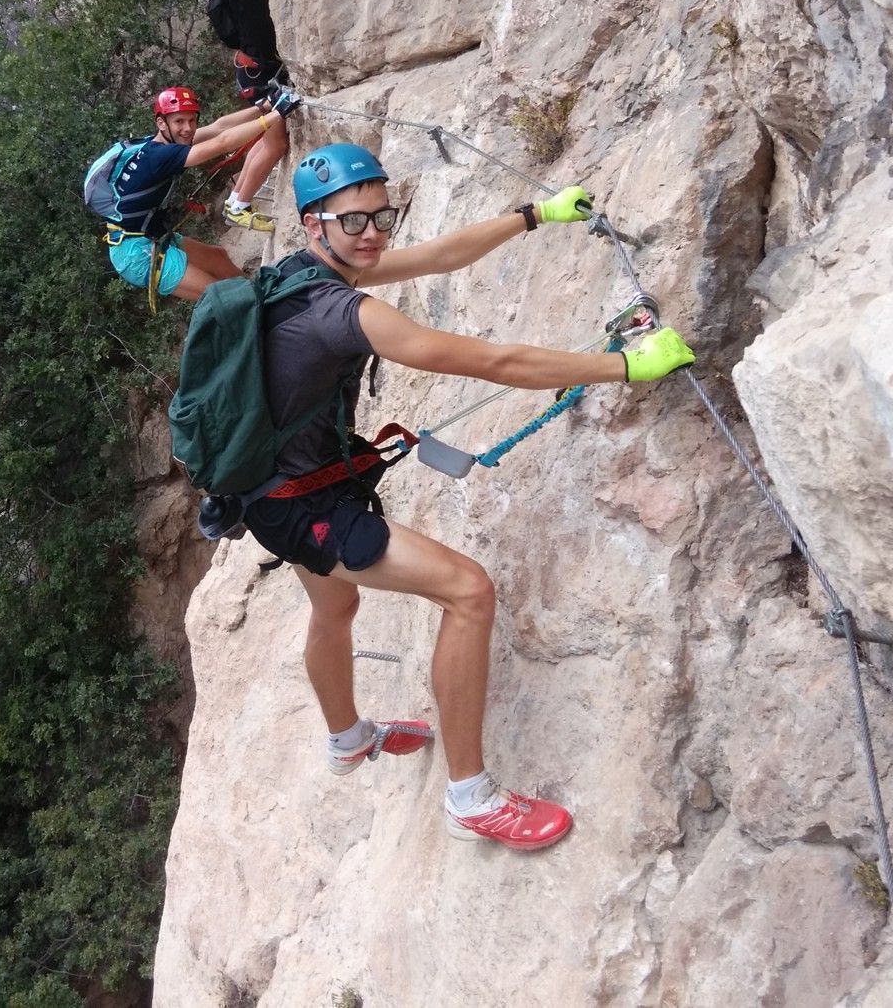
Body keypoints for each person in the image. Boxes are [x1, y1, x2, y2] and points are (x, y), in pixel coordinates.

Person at [247, 143, 696, 850]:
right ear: (313, 225)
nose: (373, 233)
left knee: (336, 605)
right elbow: (494, 361)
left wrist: (533, 216)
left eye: (380, 216)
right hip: (304, 507)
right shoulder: (343, 312)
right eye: (353, 220)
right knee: (468, 591)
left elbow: (438, 256)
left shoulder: (301, 274)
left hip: (273, 486)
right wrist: (624, 365)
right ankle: (471, 799)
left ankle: (348, 741)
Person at [84, 84, 299, 305]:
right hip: (135, 253)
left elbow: (218, 127)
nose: (187, 128)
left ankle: (263, 301)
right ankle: (258, 319)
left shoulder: (160, 143)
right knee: (223, 297)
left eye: (192, 120)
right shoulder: (158, 157)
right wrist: (276, 115)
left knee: (218, 258)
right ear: (162, 123)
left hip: (151, 237)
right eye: (179, 121)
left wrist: (263, 107)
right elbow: (222, 142)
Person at [166, 0, 289, 234]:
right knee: (277, 142)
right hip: (258, 72)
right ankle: (239, 205)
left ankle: (237, 200)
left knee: (267, 138)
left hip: (264, 67)